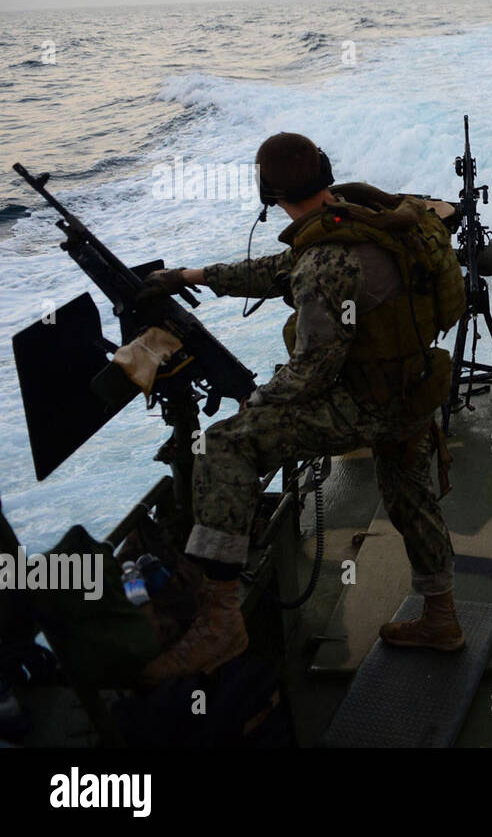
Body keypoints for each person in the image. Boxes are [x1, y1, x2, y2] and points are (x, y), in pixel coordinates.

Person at [136, 132, 466, 684]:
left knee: (225, 443)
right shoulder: (362, 214)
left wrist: (257, 402)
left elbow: (313, 370)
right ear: (326, 173)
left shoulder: (325, 265)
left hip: (367, 404)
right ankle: (443, 618)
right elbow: (283, 268)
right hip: (413, 387)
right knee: (411, 497)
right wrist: (194, 276)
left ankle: (220, 618)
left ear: (268, 191)